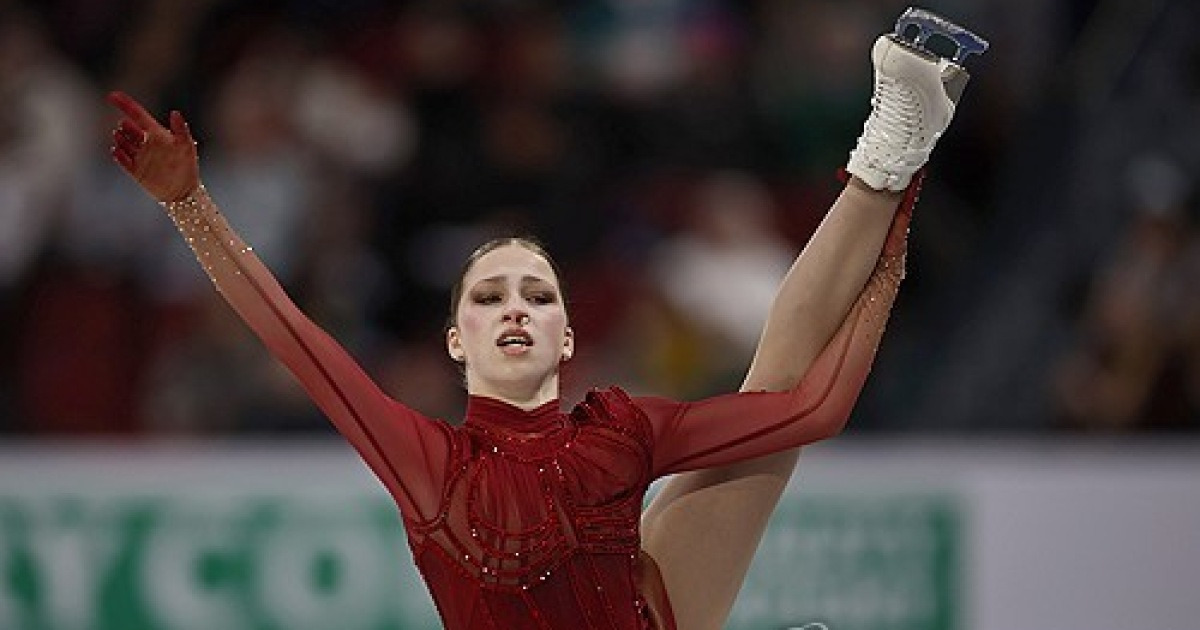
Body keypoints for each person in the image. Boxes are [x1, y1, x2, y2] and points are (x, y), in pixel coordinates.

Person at [108, 26, 968, 630]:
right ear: (455, 340)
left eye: (537, 294)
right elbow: (291, 333)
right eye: (488, 298)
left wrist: (898, 219)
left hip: (656, 616)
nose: (514, 306)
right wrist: (190, 205)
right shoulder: (431, 468)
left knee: (769, 388)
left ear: (565, 336)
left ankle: (888, 142)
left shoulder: (622, 432)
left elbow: (809, 410)